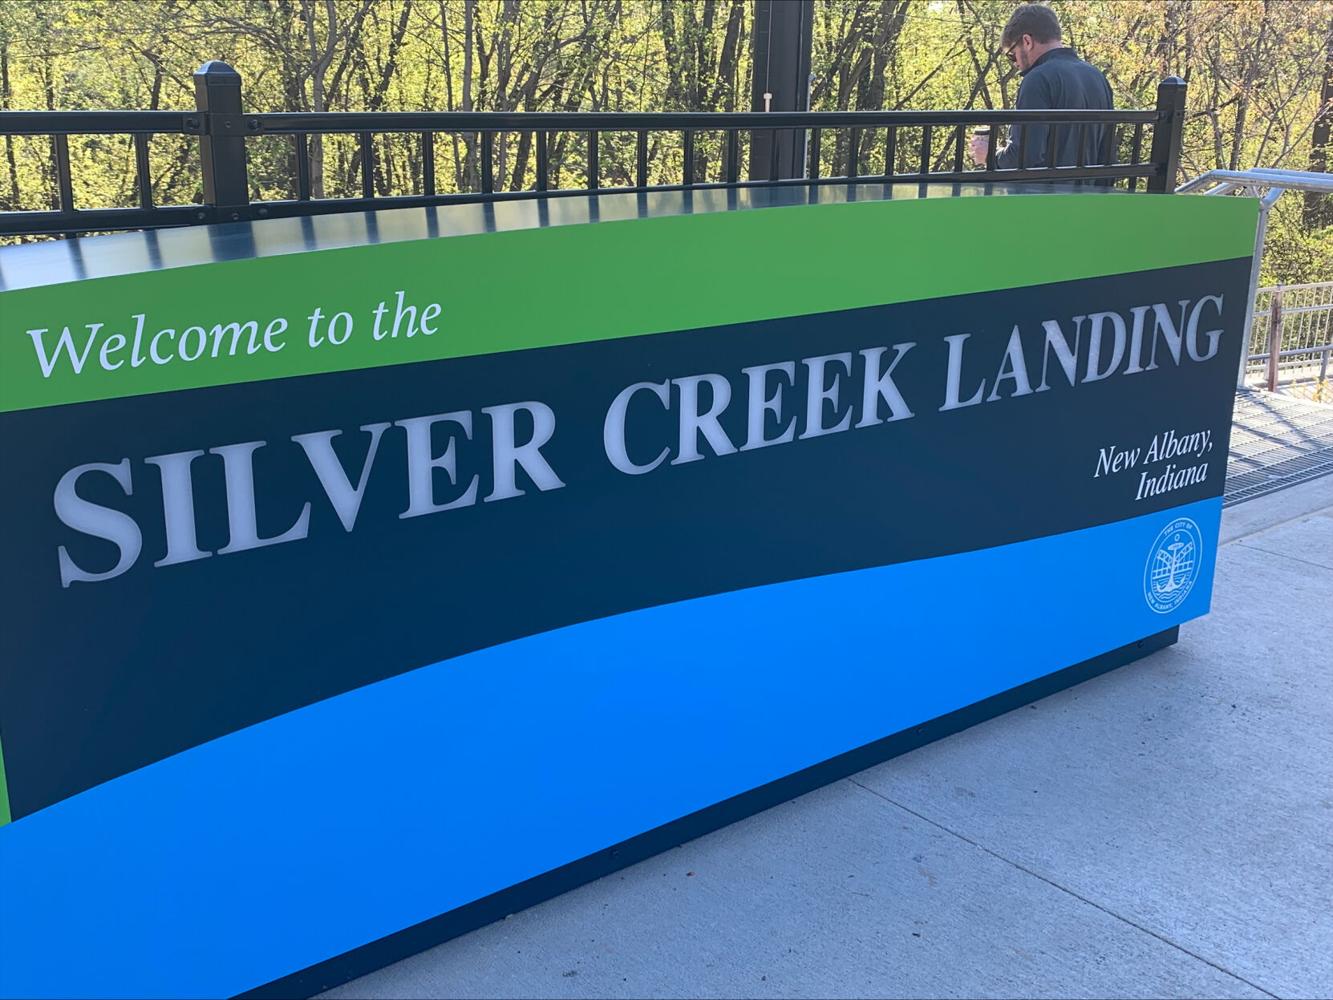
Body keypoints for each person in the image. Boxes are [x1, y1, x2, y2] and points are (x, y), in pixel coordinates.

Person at [969, 3, 1113, 171]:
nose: (1015, 64)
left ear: (1027, 41)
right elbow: (1107, 154)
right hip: (1091, 193)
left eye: (1012, 55)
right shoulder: (1097, 76)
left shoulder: (1037, 79)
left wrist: (990, 156)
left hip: (1044, 193)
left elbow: (1025, 156)